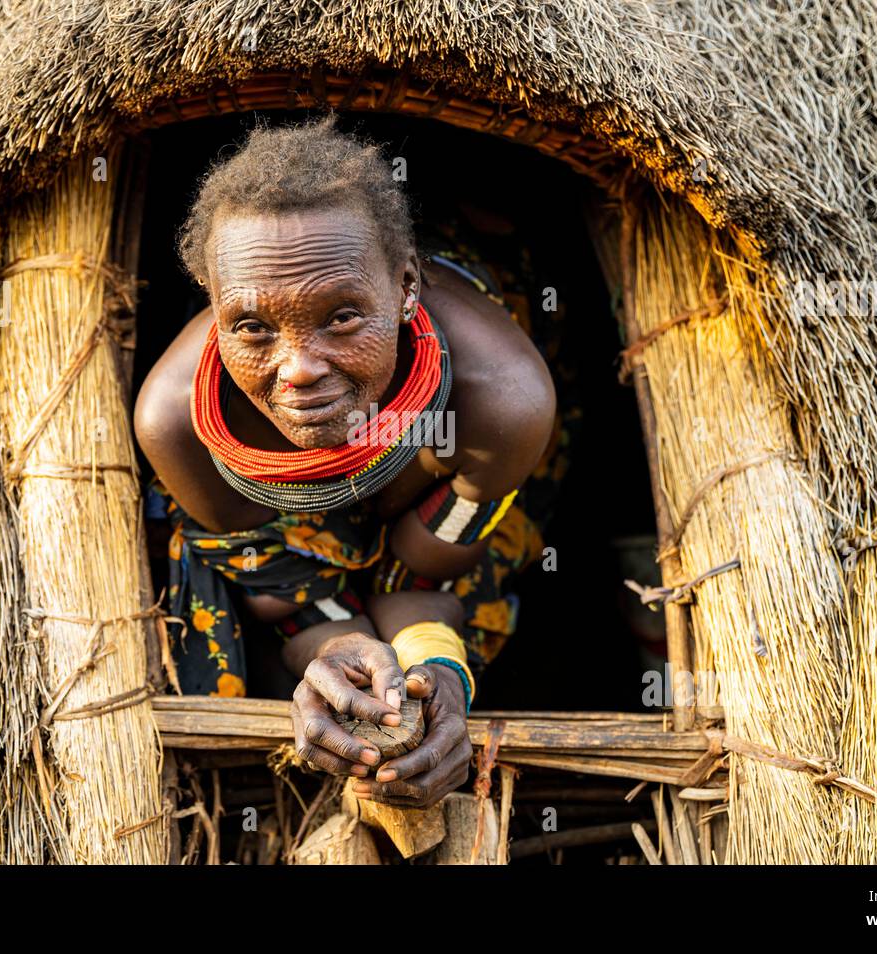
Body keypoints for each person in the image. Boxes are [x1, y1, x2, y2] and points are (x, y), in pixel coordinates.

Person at [135, 115, 559, 809]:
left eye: (340, 318)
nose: (298, 370)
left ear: (406, 290)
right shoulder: (180, 424)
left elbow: (424, 569)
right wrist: (331, 656)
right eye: (251, 327)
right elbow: (282, 588)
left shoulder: (499, 404)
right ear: (212, 310)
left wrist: (437, 673)